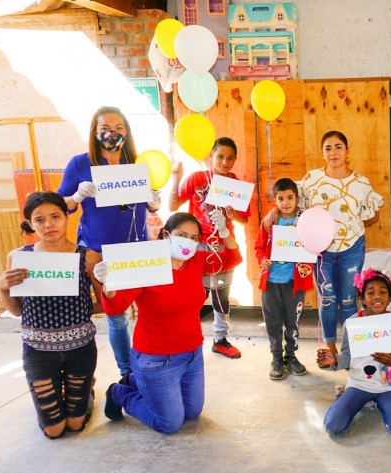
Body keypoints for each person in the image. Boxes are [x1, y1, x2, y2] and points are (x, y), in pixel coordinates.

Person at [96, 210, 242, 434]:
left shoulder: (196, 261)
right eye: (182, 235)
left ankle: (136, 381)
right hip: (156, 359)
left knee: (192, 413)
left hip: (192, 354)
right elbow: (115, 308)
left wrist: (224, 231)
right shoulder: (148, 265)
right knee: (169, 423)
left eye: (194, 238)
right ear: (166, 235)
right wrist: (109, 284)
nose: (189, 242)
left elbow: (233, 258)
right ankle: (119, 392)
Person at [57, 106, 160, 376]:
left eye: (118, 129)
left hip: (137, 250)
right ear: (95, 132)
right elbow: (60, 206)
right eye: (105, 129)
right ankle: (127, 373)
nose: (112, 134)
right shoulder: (80, 163)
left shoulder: (138, 163)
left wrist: (154, 201)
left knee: (147, 311)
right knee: (116, 316)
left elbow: (149, 205)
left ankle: (149, 362)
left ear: (126, 131)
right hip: (99, 252)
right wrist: (77, 197)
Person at [264, 131, 383, 357]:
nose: (333, 152)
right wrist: (273, 211)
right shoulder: (311, 180)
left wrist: (349, 219)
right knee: (327, 300)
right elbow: (287, 197)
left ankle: (349, 350)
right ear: (322, 153)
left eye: (338, 147)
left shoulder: (361, 183)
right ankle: (330, 348)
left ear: (348, 152)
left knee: (349, 300)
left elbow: (373, 217)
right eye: (328, 148)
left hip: (352, 248)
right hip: (320, 251)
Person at [0, 192, 102, 438]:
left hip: (80, 349)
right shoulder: (20, 257)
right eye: (39, 219)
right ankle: (60, 396)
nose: (48, 225)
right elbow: (17, 311)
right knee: (54, 430)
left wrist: (89, 302)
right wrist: (2, 288)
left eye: (55, 216)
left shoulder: (87, 257)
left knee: (75, 425)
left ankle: (87, 391)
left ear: (66, 217)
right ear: (31, 224)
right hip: (38, 352)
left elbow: (105, 304)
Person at [170, 137, 250, 359]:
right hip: (196, 248)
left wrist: (235, 215)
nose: (225, 162)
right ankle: (183, 339)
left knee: (221, 298)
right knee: (191, 296)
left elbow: (245, 219)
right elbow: (173, 206)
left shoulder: (234, 184)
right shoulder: (196, 178)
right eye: (220, 156)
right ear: (210, 157)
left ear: (235, 160)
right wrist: (175, 179)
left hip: (223, 247)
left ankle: (220, 339)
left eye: (230, 158)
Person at [317, 269, 391, 435]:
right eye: (371, 293)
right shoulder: (352, 324)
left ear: (389, 298)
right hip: (358, 384)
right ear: (362, 299)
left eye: (383, 292)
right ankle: (342, 396)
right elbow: (347, 357)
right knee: (332, 427)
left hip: (388, 386)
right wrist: (334, 360)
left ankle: (379, 402)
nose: (377, 296)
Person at [254, 178, 314, 380]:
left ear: (297, 198)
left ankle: (291, 356)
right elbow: (258, 248)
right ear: (275, 200)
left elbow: (316, 245)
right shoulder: (269, 222)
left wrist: (305, 226)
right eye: (281, 198)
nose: (286, 202)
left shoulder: (305, 220)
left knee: (292, 322)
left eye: (290, 198)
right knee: (272, 323)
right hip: (270, 283)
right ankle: (276, 359)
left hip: (294, 284)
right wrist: (262, 259)